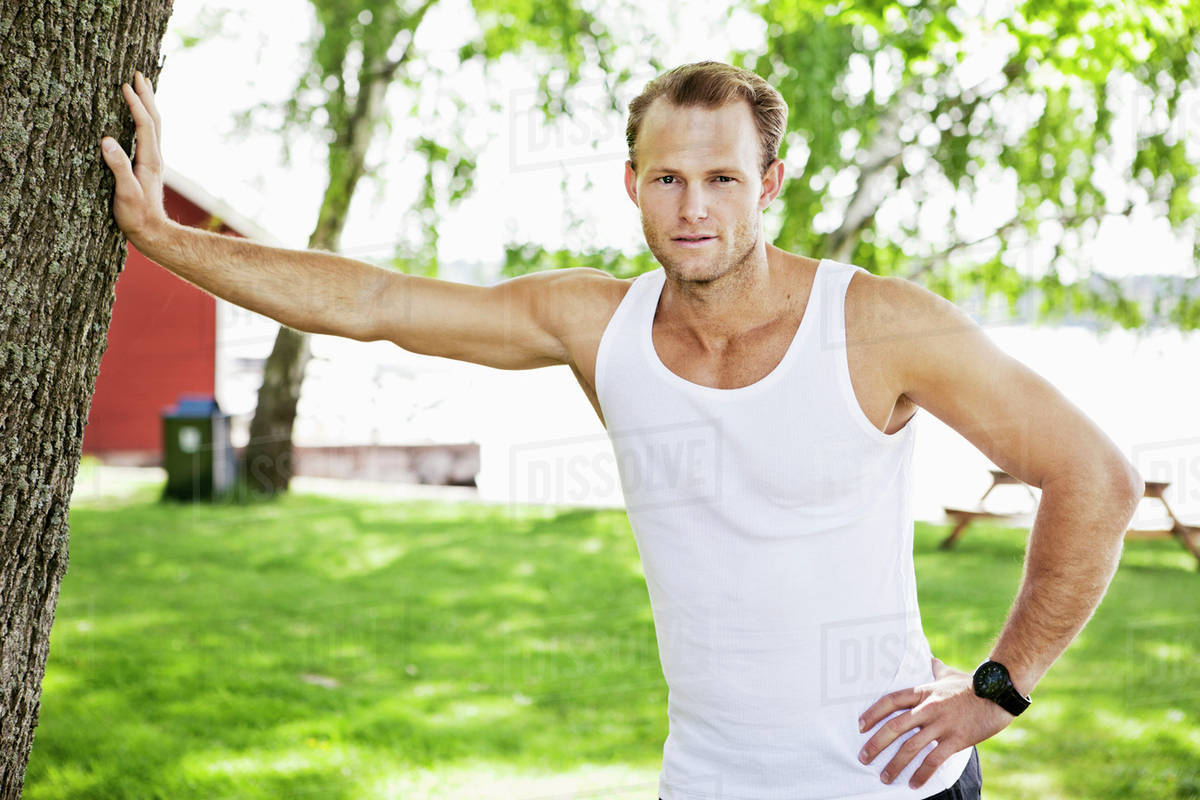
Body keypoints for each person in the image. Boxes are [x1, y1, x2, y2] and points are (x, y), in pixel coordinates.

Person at [100, 61, 1143, 800]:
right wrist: (164, 234)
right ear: (633, 183)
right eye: (668, 177)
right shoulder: (597, 324)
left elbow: (1094, 477)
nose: (694, 207)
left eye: (724, 177)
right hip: (706, 780)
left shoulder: (876, 322)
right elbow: (375, 300)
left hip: (891, 784)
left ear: (770, 183)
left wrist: (999, 688)